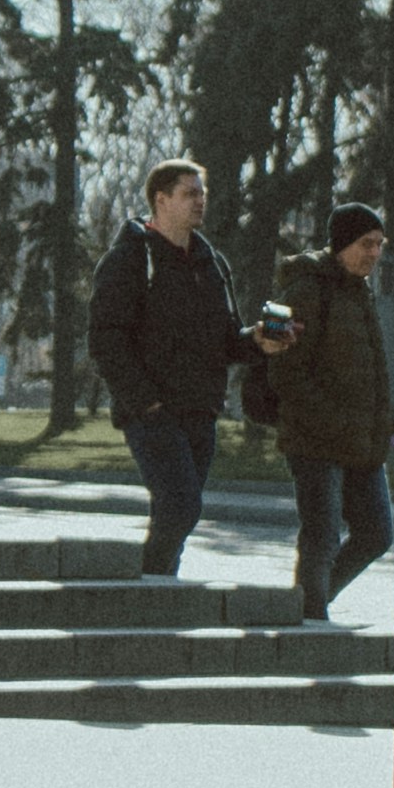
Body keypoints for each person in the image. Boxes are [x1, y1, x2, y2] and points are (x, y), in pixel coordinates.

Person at [84, 158, 253, 580]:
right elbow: (106, 340)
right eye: (189, 194)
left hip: (201, 409)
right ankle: (147, 587)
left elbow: (229, 340)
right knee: (182, 505)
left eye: (202, 193)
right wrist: (146, 403)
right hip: (152, 413)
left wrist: (261, 342)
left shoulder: (212, 263)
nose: (200, 202)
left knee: (176, 514)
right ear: (161, 200)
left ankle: (156, 589)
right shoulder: (129, 259)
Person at [261, 201, 394, 623]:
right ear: (341, 244)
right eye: (365, 244)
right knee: (322, 537)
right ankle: (308, 620)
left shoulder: (360, 293)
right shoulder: (303, 290)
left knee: (376, 533)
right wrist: (331, 421)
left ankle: (305, 607)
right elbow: (283, 371)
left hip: (361, 440)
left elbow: (372, 369)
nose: (374, 253)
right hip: (315, 439)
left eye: (379, 244)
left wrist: (383, 423)